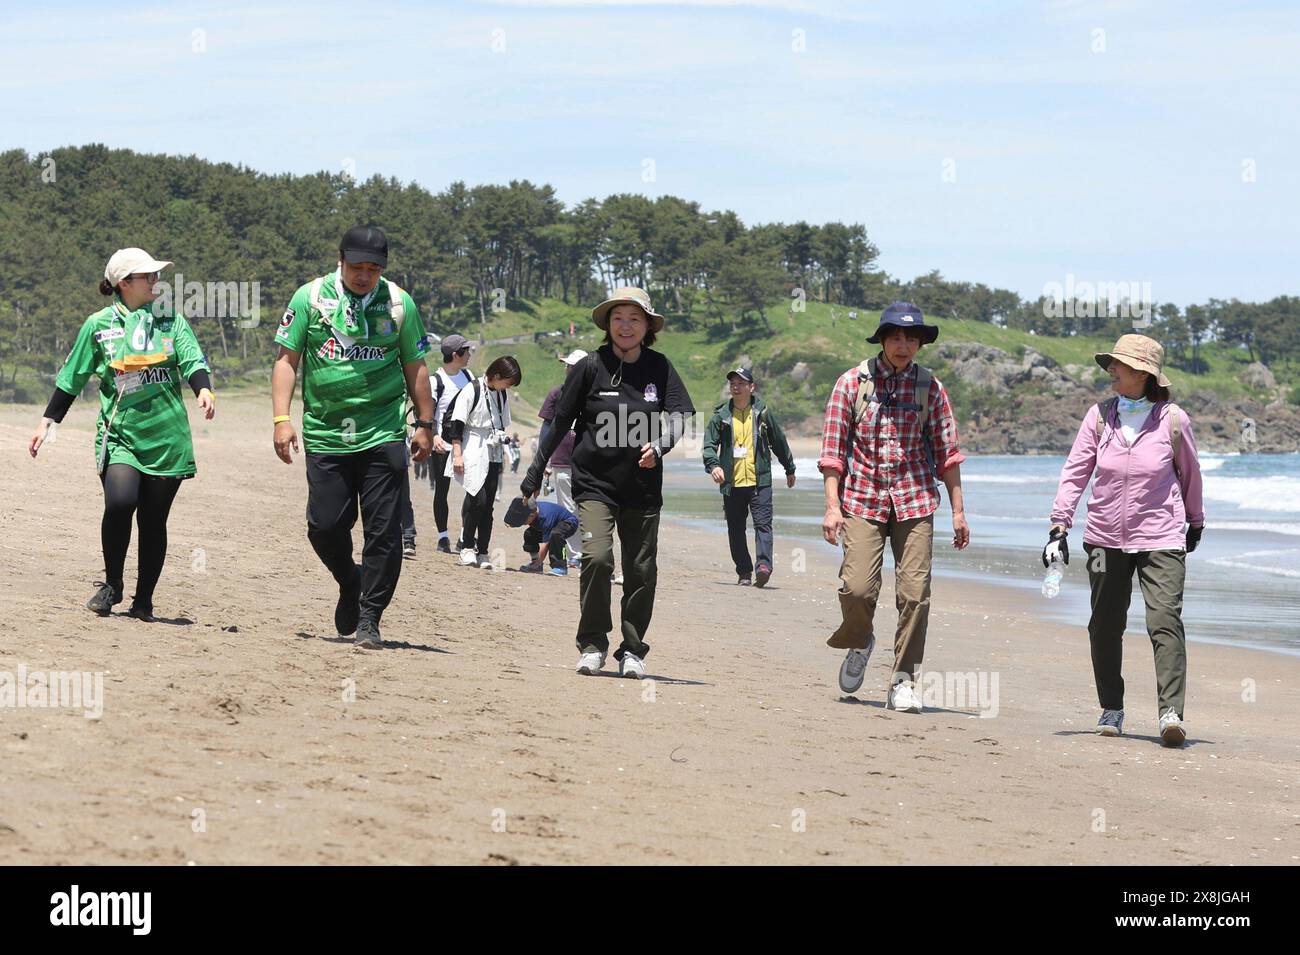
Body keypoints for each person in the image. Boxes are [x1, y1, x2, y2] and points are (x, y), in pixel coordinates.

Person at [28, 248, 215, 621]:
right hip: (121, 436)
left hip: (167, 438)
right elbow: (73, 376)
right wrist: (49, 420)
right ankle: (112, 584)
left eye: (156, 275)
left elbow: (192, 358)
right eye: (148, 276)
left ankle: (143, 601)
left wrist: (203, 389)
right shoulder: (98, 325)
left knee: (153, 519)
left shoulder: (169, 320)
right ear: (124, 283)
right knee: (120, 502)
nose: (156, 282)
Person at [272, 225, 435, 649]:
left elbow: (415, 366)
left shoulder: (399, 303)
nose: (365, 275)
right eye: (358, 266)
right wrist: (280, 419)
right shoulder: (309, 298)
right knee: (324, 527)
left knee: (384, 530)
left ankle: (370, 617)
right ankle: (350, 579)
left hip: (382, 431)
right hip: (326, 433)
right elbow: (288, 359)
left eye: (374, 268)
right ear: (340, 258)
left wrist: (424, 423)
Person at [520, 287, 695, 679]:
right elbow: (559, 422)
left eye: (635, 319)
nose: (626, 325)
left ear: (647, 325)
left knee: (641, 571)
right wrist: (535, 472)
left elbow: (681, 415)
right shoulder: (591, 366)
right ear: (608, 324)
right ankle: (593, 644)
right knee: (597, 558)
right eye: (619, 318)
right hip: (594, 484)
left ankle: (632, 649)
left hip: (642, 488)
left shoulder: (660, 367)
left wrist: (662, 445)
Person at [1047, 334, 1205, 746]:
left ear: (1143, 374)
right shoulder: (1099, 416)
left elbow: (1189, 473)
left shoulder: (1173, 420)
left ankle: (1171, 713)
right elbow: (1076, 471)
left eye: (1119, 365)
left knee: (1164, 621)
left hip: (1161, 537)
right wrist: (1059, 526)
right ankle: (1111, 707)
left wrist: (1195, 521)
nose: (1111, 371)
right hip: (1103, 540)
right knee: (1104, 625)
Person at [819, 302, 970, 712]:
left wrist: (958, 511)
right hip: (863, 499)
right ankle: (860, 640)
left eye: (912, 338)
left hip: (915, 498)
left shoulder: (930, 389)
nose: (904, 345)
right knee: (857, 589)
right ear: (883, 338)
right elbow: (833, 455)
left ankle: (903, 681)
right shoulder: (851, 384)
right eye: (896, 337)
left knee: (916, 594)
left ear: (920, 343)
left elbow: (948, 456)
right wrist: (832, 508)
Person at [702, 367, 797, 586]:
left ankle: (763, 566)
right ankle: (744, 572)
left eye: (740, 384)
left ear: (751, 387)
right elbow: (708, 445)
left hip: (759, 481)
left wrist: (789, 468)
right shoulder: (721, 416)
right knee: (735, 530)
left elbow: (779, 441)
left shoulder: (762, 413)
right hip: (732, 483)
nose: (735, 387)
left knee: (763, 525)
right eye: (733, 384)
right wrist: (714, 466)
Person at [446, 355, 522, 568]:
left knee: (488, 504)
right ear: (497, 375)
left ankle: (484, 551)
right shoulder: (472, 389)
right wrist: (457, 454)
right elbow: (457, 425)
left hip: (493, 450)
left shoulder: (501, 394)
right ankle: (467, 547)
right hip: (471, 447)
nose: (508, 386)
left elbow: (502, 425)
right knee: (476, 498)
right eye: (507, 381)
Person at [539, 350, 588, 568]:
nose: (568, 370)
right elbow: (546, 428)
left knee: (587, 508)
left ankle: (587, 551)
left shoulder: (595, 395)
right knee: (568, 508)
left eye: (572, 366)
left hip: (588, 461)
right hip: (561, 460)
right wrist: (543, 460)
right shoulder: (556, 393)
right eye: (567, 366)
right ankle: (575, 553)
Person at [429, 334, 475, 554]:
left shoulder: (469, 376)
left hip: (466, 445)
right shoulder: (436, 380)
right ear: (456, 355)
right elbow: (429, 412)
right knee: (442, 491)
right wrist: (434, 436)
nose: (469, 355)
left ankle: (465, 536)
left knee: (471, 490)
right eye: (466, 351)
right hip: (442, 444)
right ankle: (443, 536)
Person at [504, 497, 579, 576]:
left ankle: (560, 567)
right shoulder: (530, 510)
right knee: (529, 534)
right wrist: (512, 522)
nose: (522, 522)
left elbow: (546, 544)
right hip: (549, 524)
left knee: (555, 535)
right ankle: (535, 563)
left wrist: (539, 562)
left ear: (532, 515)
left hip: (569, 522)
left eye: (523, 520)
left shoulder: (545, 519)